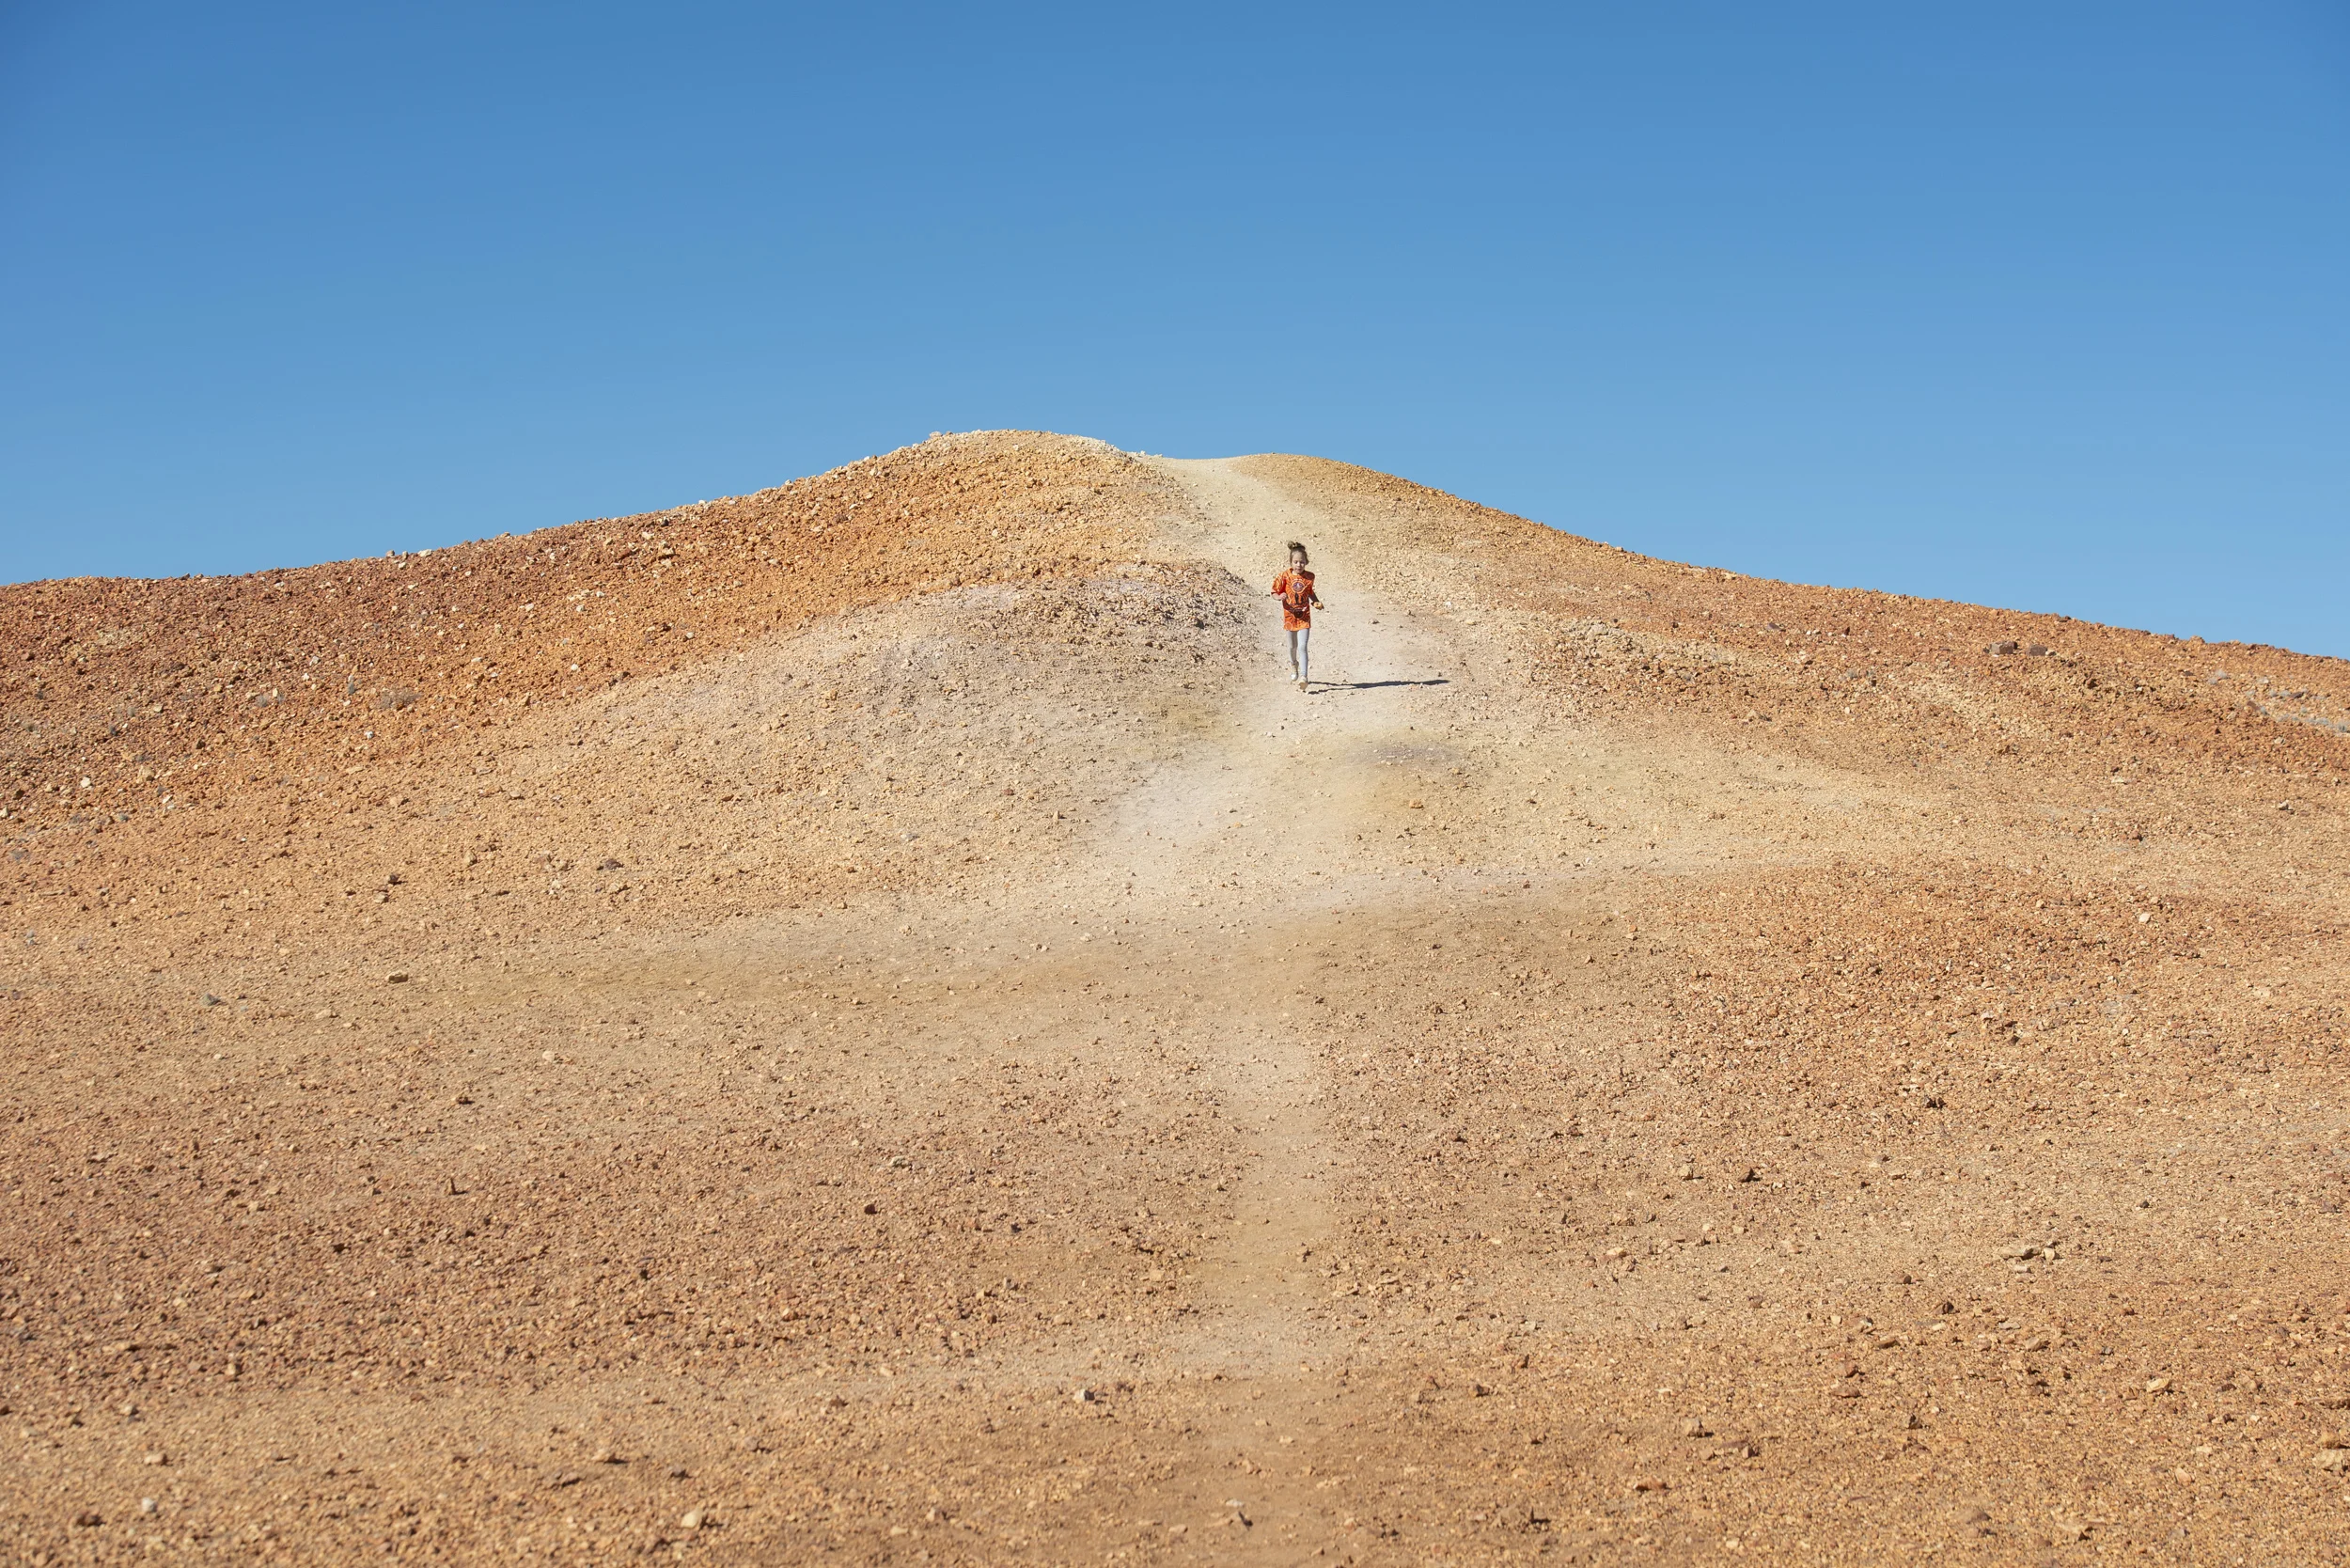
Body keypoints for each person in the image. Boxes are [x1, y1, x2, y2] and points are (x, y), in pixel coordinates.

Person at [1270, 541, 1325, 691]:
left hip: (1304, 617)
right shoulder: (1284, 576)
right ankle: (1294, 665)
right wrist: (1278, 597)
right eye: (1296, 562)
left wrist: (1316, 602)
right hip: (1289, 617)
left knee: (1302, 646)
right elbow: (1274, 591)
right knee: (1292, 647)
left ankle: (1304, 676)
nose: (1299, 565)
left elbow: (1310, 592)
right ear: (1291, 562)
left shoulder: (1309, 577)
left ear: (1306, 562)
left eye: (1302, 562)